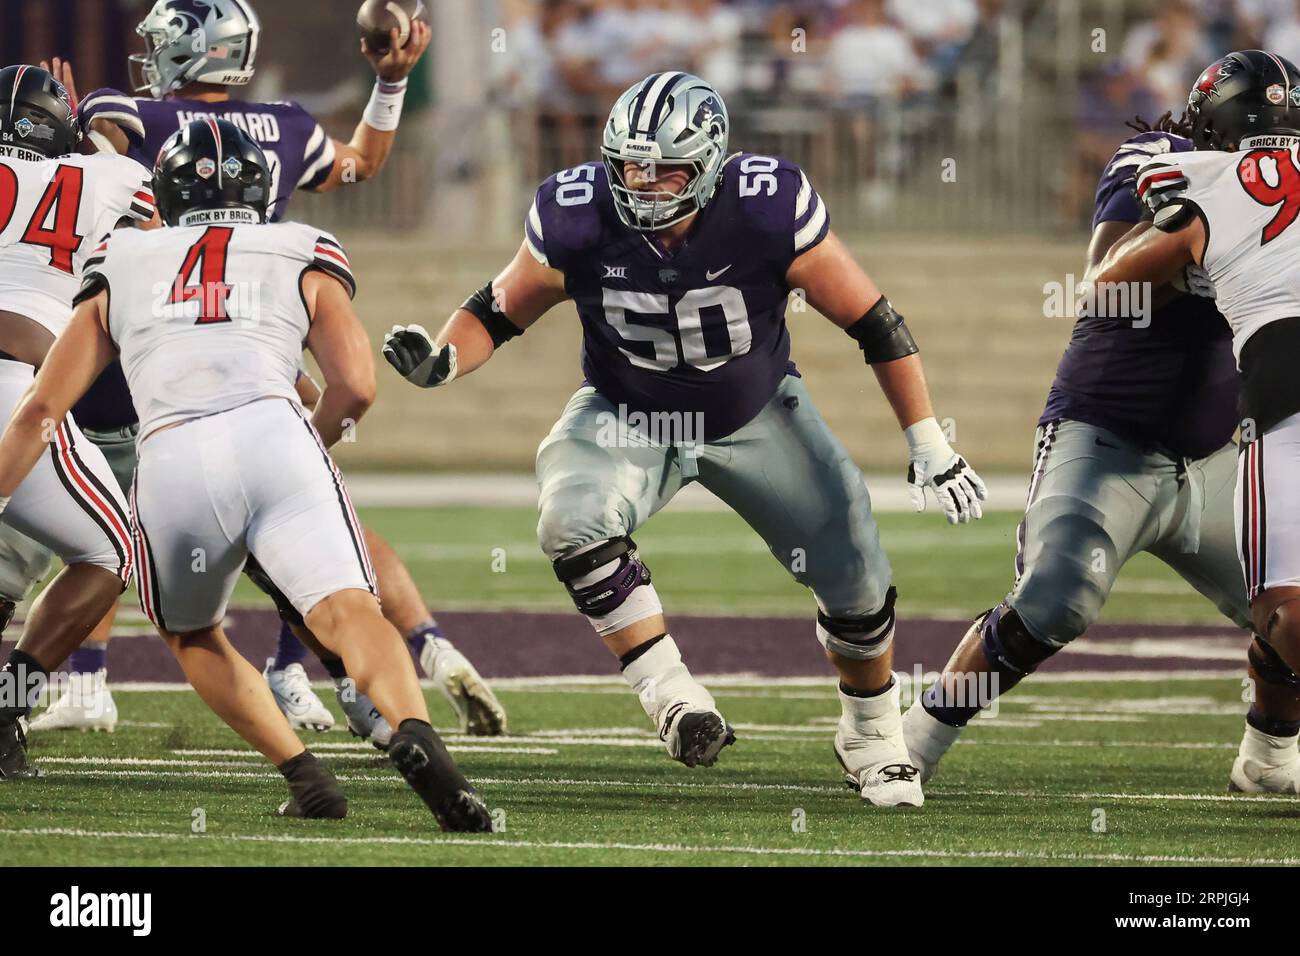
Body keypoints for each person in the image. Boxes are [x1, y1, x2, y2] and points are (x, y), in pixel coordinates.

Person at [384, 72, 987, 807]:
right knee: (568, 517)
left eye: (665, 166)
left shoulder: (767, 206)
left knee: (855, 565)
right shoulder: (576, 212)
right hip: (627, 410)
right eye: (631, 165)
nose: (644, 183)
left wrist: (928, 442)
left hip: (755, 413)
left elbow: (874, 321)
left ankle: (871, 732)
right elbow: (499, 309)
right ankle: (671, 695)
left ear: (709, 162)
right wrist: (445, 362)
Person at [28, 0, 506, 742]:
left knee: (104, 544)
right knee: (298, 534)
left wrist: (48, 124)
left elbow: (82, 182)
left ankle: (81, 681)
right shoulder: (284, 126)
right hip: (254, 352)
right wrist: (388, 83)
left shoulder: (127, 114)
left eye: (160, 42)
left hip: (143, 349)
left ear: (193, 49)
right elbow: (364, 163)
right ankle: (351, 680)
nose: (147, 54)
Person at [0, 116, 492, 832]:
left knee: (194, 632)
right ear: (263, 191)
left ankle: (304, 775)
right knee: (350, 608)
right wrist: (310, 448)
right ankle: (415, 734)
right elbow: (354, 389)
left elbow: (44, 403)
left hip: (171, 456)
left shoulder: (124, 256)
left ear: (164, 192)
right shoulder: (300, 245)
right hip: (275, 434)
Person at [902, 102, 1300, 795]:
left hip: (1215, 457)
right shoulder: (1160, 164)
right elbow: (1105, 285)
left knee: (1288, 609)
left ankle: (1269, 754)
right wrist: (1202, 254)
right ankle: (917, 737)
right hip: (1108, 438)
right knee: (1055, 599)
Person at [1093, 51, 1300, 691]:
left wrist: (1173, 222)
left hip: (1284, 372)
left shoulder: (1194, 171)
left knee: (1281, 609)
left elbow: (1104, 287)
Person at [0, 64, 153, 778]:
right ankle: (7, 708)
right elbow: (155, 218)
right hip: (15, 386)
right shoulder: (104, 176)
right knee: (110, 553)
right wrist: (90, 130)